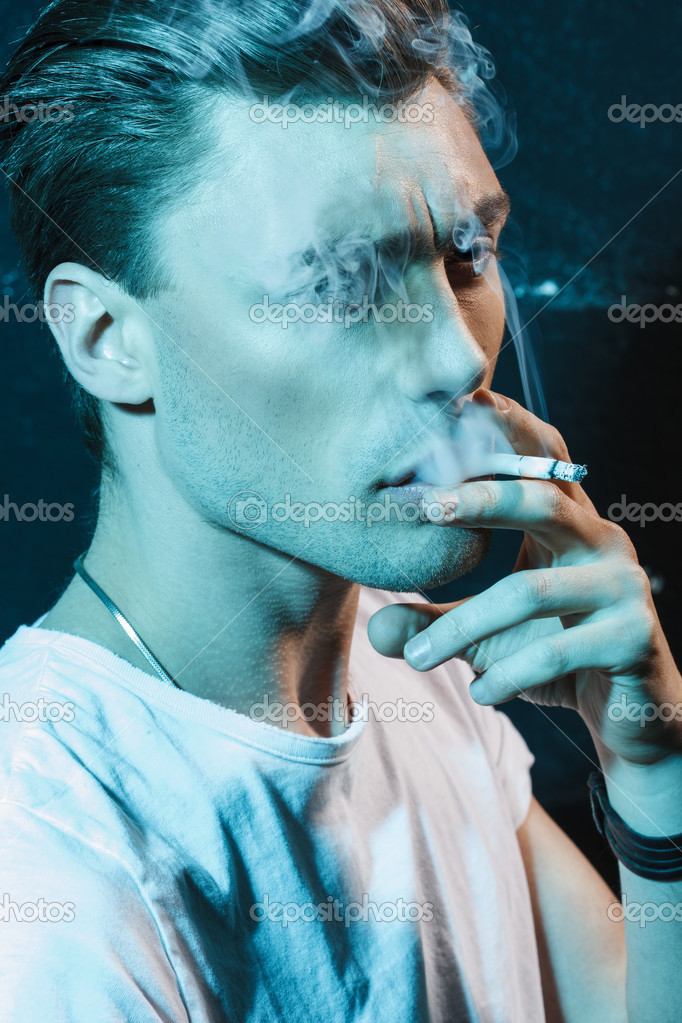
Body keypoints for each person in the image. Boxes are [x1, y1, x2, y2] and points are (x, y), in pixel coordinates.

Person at [1, 1, 680, 1020]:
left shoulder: (408, 664)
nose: (458, 354)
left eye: (468, 254)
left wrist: (654, 771)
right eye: (341, 282)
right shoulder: (51, 878)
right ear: (106, 338)